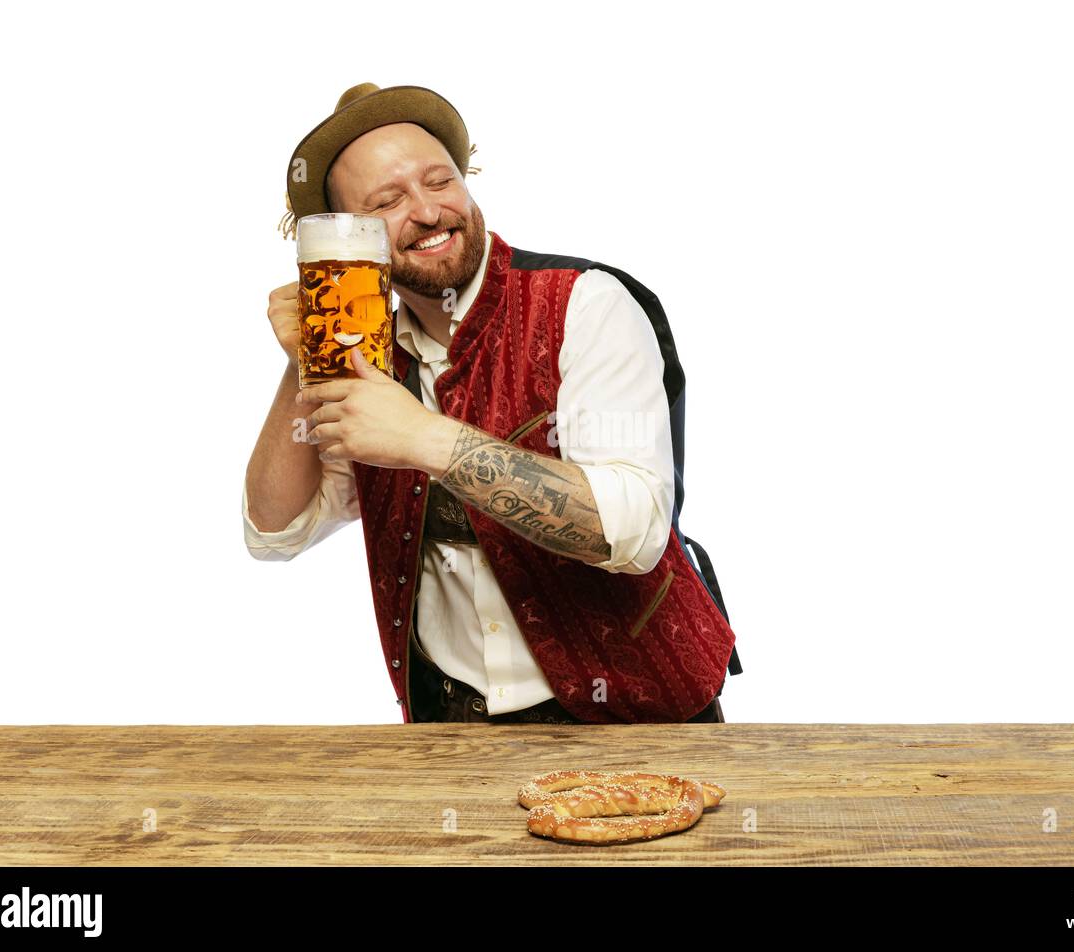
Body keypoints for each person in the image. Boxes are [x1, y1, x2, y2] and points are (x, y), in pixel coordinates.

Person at [243, 84, 740, 724]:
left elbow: (637, 529)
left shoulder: (587, 303)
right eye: (387, 202)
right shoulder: (367, 361)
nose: (427, 212)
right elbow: (275, 531)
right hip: (452, 727)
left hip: (636, 718)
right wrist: (306, 354)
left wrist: (426, 438)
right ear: (347, 241)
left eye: (440, 181)